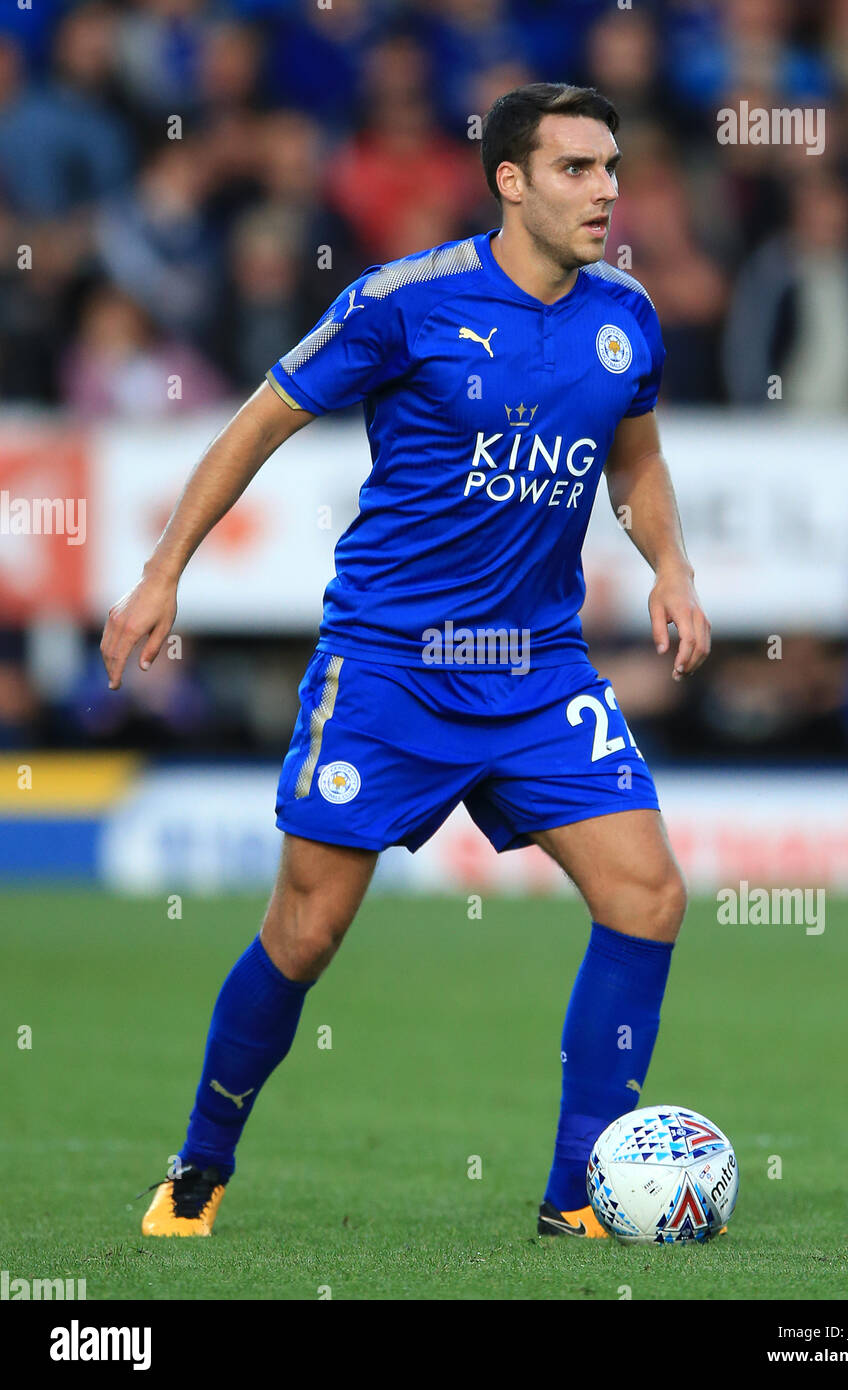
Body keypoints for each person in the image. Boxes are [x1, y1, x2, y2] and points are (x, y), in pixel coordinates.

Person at [100, 83, 711, 1240]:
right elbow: (259, 421)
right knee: (307, 932)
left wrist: (670, 565)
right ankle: (199, 1165)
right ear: (510, 181)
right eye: (577, 169)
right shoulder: (403, 300)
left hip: (537, 668)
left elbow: (635, 460)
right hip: (390, 666)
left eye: (612, 167)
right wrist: (163, 570)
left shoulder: (624, 312)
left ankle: (576, 1196)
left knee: (648, 895)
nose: (606, 191)